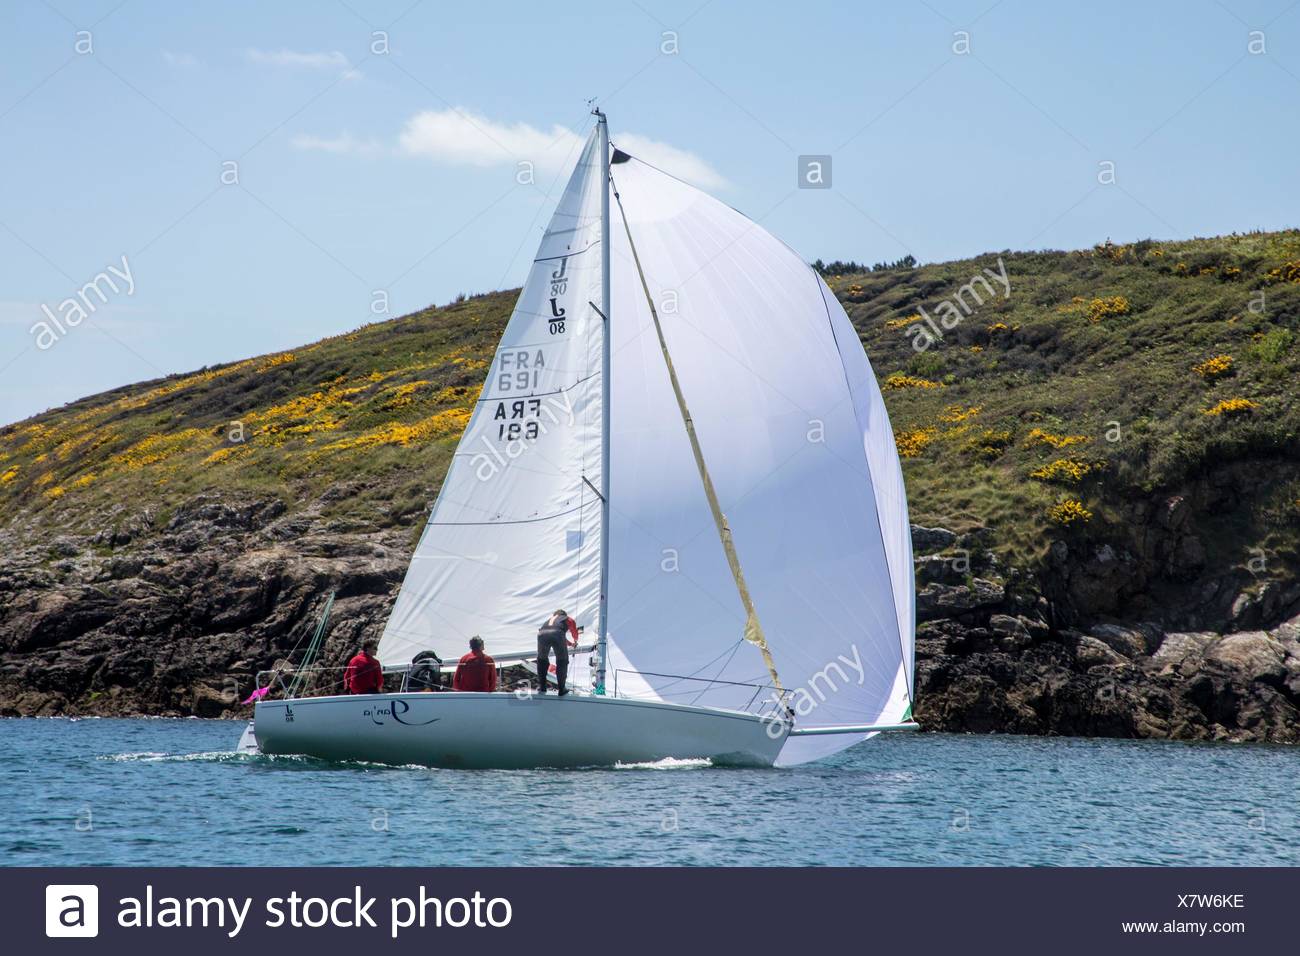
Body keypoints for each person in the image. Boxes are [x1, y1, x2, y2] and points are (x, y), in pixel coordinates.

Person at [536, 609, 579, 695]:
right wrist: (575, 640)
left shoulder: (549, 621)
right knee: (562, 661)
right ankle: (562, 689)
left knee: (542, 660)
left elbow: (555, 632)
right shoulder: (566, 618)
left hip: (542, 634)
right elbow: (573, 630)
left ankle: (542, 687)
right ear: (563, 614)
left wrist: (570, 644)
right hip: (557, 635)